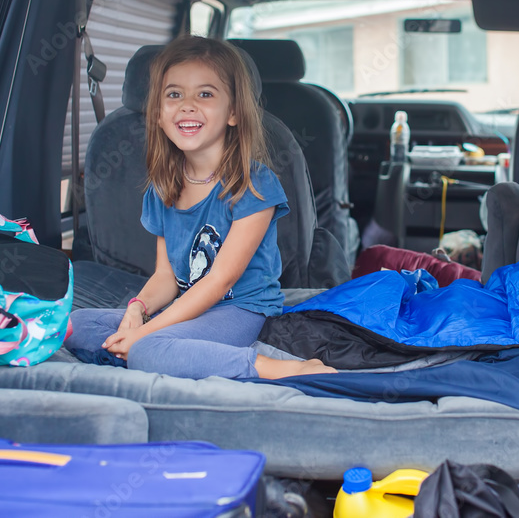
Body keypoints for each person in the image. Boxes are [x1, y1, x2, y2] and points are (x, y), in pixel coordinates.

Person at [64, 36, 336, 380]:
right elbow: (165, 277)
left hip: (239, 308)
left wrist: (144, 335)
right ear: (158, 114)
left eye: (205, 94)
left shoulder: (253, 184)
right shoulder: (162, 187)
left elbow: (221, 280)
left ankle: (282, 368)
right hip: (185, 304)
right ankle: (162, 353)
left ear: (234, 112)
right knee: (73, 325)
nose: (187, 105)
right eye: (174, 94)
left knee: (150, 350)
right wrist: (137, 309)